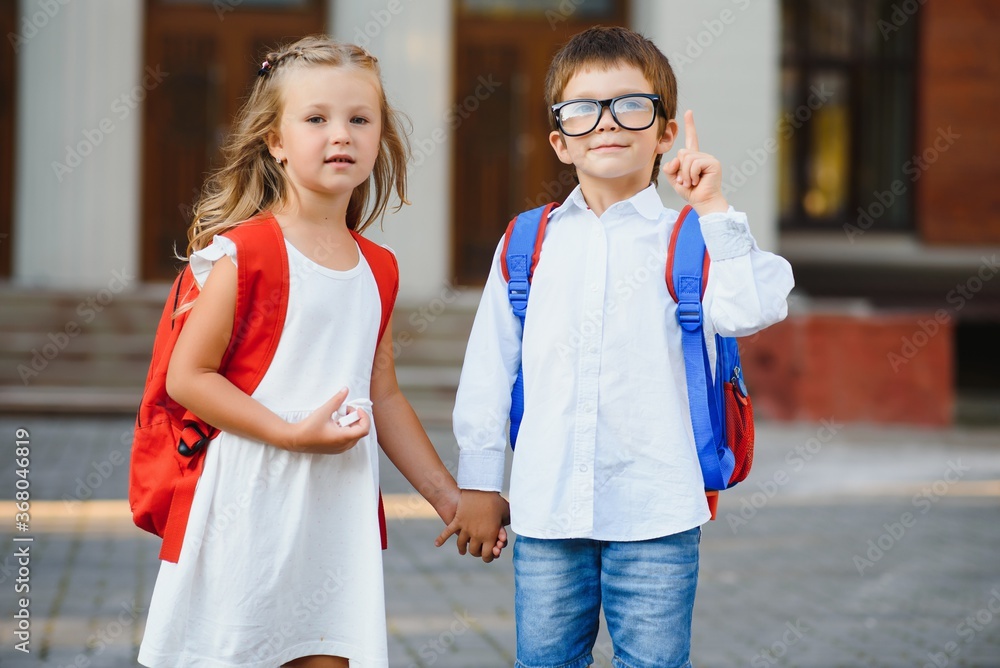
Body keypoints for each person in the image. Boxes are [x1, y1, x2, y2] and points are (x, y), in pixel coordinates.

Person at [138, 36, 505, 668]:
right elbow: (188, 377)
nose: (342, 134)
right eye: (316, 119)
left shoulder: (378, 268)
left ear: (380, 138)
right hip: (247, 502)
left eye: (360, 119)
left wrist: (449, 497)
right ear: (275, 141)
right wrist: (288, 434)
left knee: (326, 653)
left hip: (336, 506)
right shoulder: (242, 253)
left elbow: (382, 393)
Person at [437, 26, 795, 668]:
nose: (606, 123)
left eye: (631, 105)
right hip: (547, 514)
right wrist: (481, 485)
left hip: (657, 514)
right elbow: (490, 369)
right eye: (583, 109)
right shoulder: (526, 243)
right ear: (560, 140)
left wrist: (714, 207)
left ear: (663, 132)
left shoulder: (690, 236)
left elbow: (751, 307)